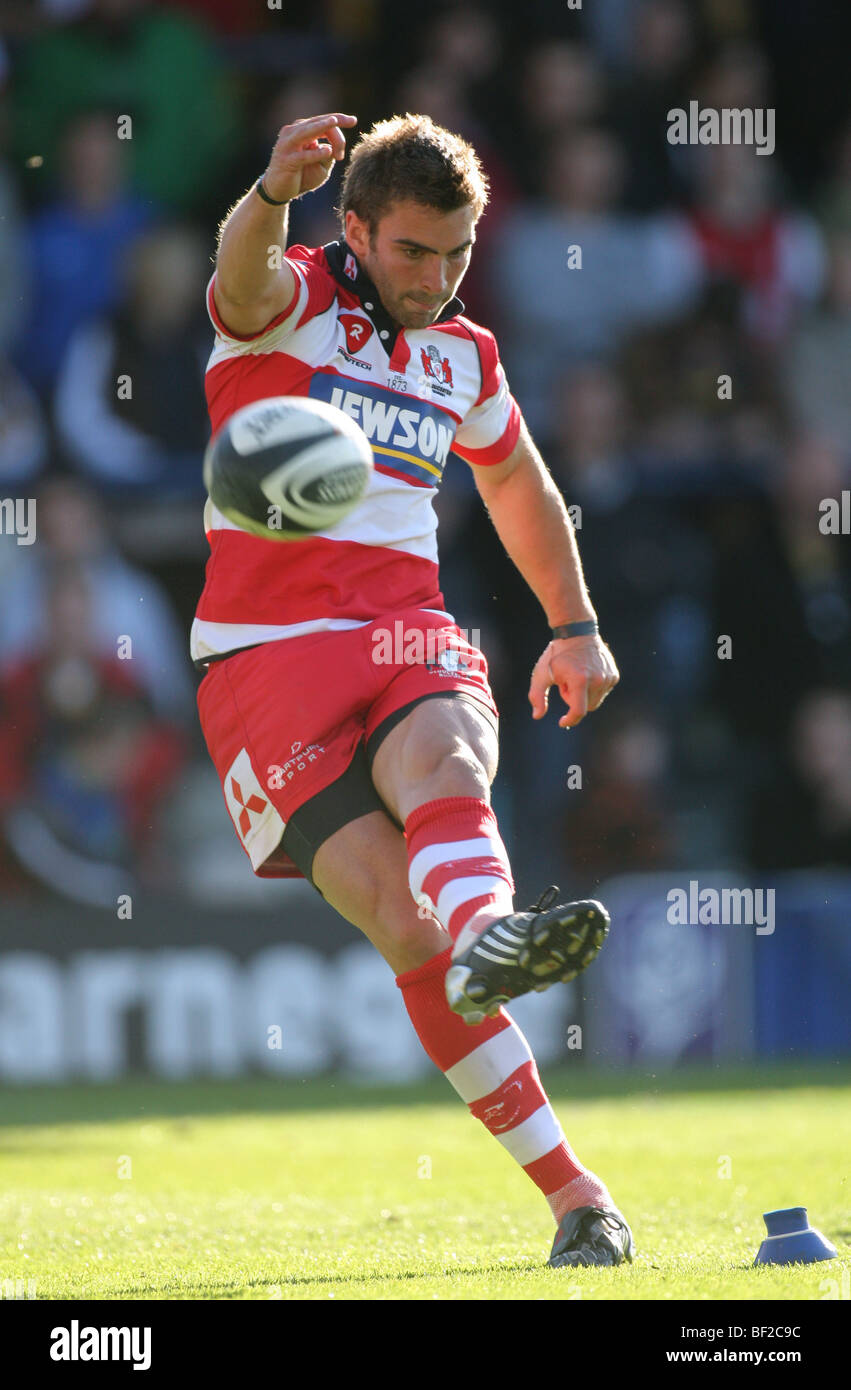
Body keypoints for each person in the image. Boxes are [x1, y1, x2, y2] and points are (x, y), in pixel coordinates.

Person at [193, 111, 634, 1269]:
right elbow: (236, 277)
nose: (434, 280)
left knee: (446, 753)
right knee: (400, 923)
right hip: (260, 655)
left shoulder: (466, 357)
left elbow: (518, 483)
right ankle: (484, 978)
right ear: (354, 228)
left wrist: (573, 624)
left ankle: (573, 1189)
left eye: (455, 254)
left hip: (402, 631)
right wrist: (266, 192)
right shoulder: (287, 296)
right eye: (410, 253)